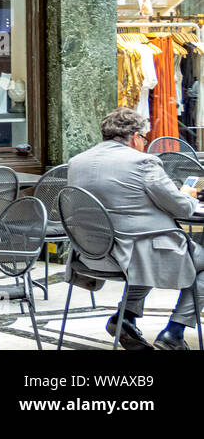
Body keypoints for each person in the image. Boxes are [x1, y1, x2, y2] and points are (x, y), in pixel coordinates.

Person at [67, 106, 204, 351]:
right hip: (133, 254)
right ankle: (174, 332)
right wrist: (188, 194)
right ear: (135, 137)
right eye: (144, 138)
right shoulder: (144, 162)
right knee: (165, 252)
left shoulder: (77, 162)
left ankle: (125, 317)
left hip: (91, 256)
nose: (144, 143)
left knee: (144, 246)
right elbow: (182, 209)